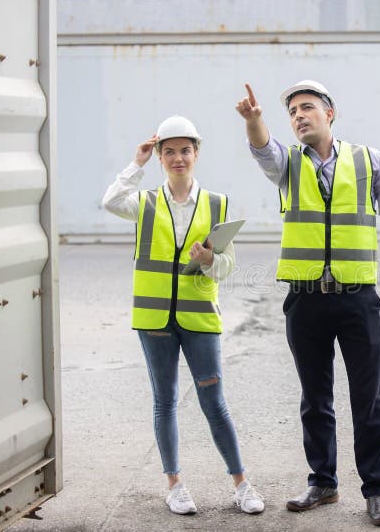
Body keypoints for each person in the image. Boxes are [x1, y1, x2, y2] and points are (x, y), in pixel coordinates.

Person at [235, 81, 380, 527]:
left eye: (308, 108)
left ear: (331, 113)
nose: (299, 116)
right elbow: (263, 148)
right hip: (304, 300)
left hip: (357, 298)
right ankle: (322, 481)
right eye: (292, 112)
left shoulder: (366, 160)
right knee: (315, 397)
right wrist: (252, 120)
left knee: (368, 396)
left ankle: (377, 491)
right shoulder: (287, 164)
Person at [102, 115, 265, 517]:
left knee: (215, 402)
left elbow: (227, 267)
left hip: (199, 317)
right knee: (166, 401)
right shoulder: (143, 203)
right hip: (154, 319)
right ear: (160, 156)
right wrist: (135, 164)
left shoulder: (216, 204)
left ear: (196, 154)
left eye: (185, 150)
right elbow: (109, 201)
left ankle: (241, 483)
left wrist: (211, 259)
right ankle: (174, 485)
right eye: (169, 151)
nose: (178, 158)